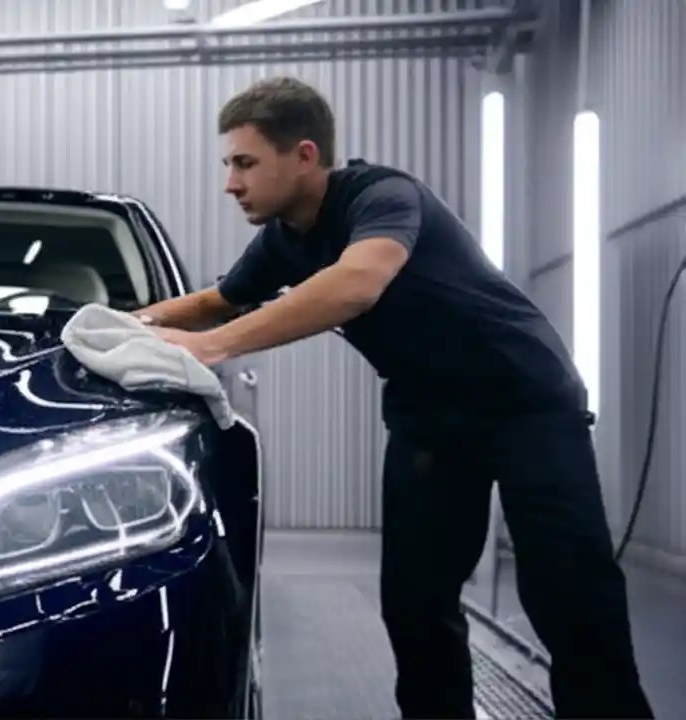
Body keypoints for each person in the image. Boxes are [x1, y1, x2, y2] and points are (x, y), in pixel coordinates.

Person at [136, 76, 654, 720]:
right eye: (229, 165)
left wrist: (214, 348)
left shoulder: (381, 195)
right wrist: (116, 327)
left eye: (245, 163)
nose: (231, 184)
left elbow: (358, 282)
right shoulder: (281, 240)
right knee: (416, 603)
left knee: (571, 600)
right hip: (428, 416)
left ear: (303, 155)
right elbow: (214, 302)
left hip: (527, 401)